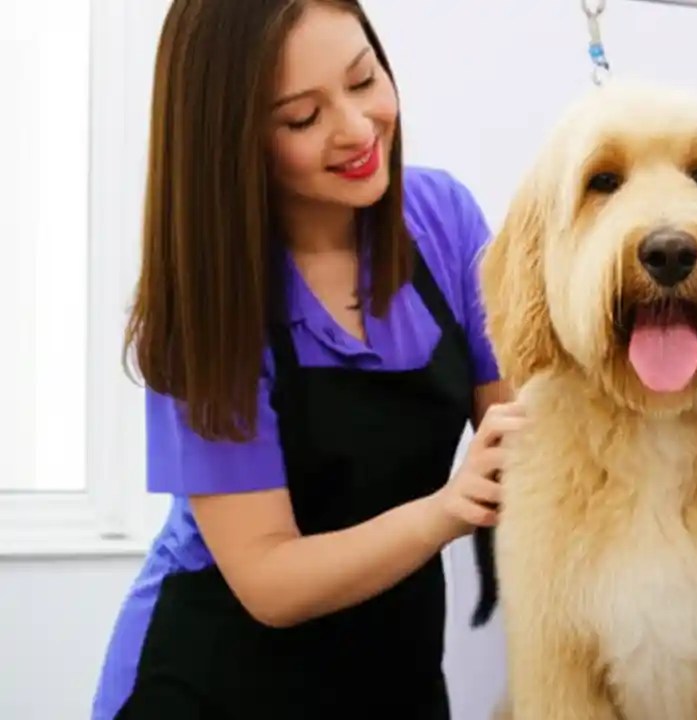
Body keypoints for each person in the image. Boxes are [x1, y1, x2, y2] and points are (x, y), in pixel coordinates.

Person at [90, 1, 521, 717]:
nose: (356, 130)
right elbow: (269, 579)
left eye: (363, 80)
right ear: (232, 140)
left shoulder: (444, 222)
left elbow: (520, 431)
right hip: (217, 679)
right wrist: (447, 509)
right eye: (301, 117)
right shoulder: (208, 302)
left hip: (392, 669)